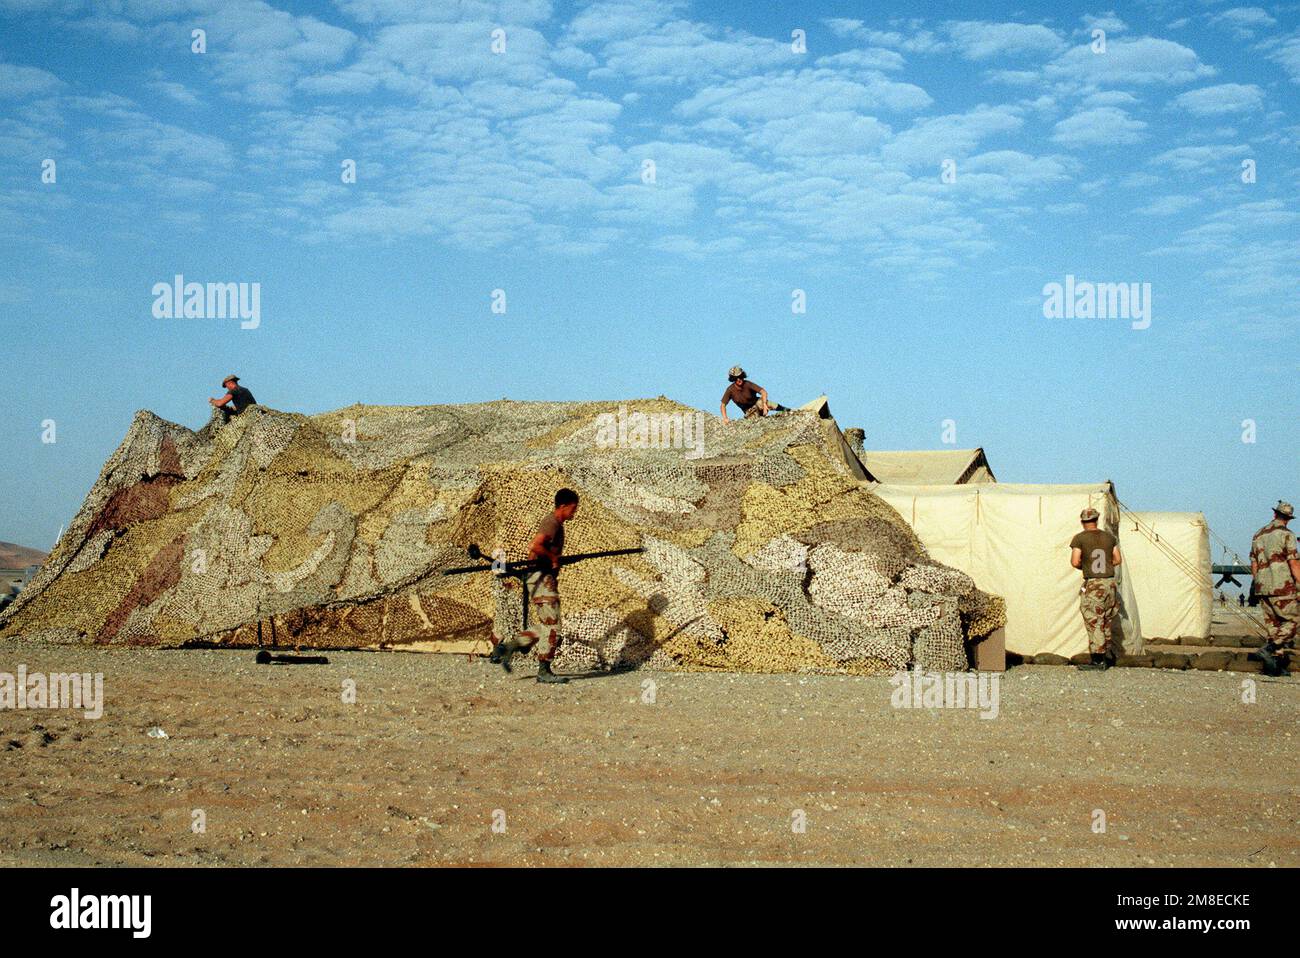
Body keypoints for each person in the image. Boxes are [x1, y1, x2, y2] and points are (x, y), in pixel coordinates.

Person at [491, 489, 580, 684]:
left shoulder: (556, 523)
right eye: (573, 509)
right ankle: (544, 670)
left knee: (545, 625)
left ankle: (510, 647)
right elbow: (535, 546)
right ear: (563, 506)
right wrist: (553, 558)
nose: (574, 513)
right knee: (553, 625)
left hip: (540, 578)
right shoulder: (552, 523)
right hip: (541, 578)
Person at [1249, 500, 1299, 677]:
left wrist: (1257, 584)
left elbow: (1254, 563)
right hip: (1282, 586)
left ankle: (1275, 667)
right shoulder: (1287, 535)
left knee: (1274, 627)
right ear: (1289, 519)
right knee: (1293, 621)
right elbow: (1293, 564)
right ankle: (1269, 649)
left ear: (1274, 514)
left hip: (1263, 586)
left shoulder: (1258, 534)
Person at [1070, 507, 1123, 671]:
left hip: (1093, 584)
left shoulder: (1079, 538)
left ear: (1082, 522)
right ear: (1097, 520)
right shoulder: (1109, 538)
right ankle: (1107, 656)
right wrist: (1106, 566)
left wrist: (1086, 567)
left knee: (1094, 621)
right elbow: (1117, 559)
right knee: (1106, 620)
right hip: (1110, 583)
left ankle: (1098, 660)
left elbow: (1075, 561)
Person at [720, 366, 786, 422]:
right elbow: (723, 405)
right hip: (749, 411)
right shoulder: (730, 390)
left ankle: (787, 410)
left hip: (758, 404)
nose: (739, 379)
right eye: (736, 378)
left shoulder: (747, 384)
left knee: (766, 403)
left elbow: (763, 392)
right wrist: (725, 418)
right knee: (752, 420)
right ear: (733, 379)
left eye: (740, 377)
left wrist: (765, 405)